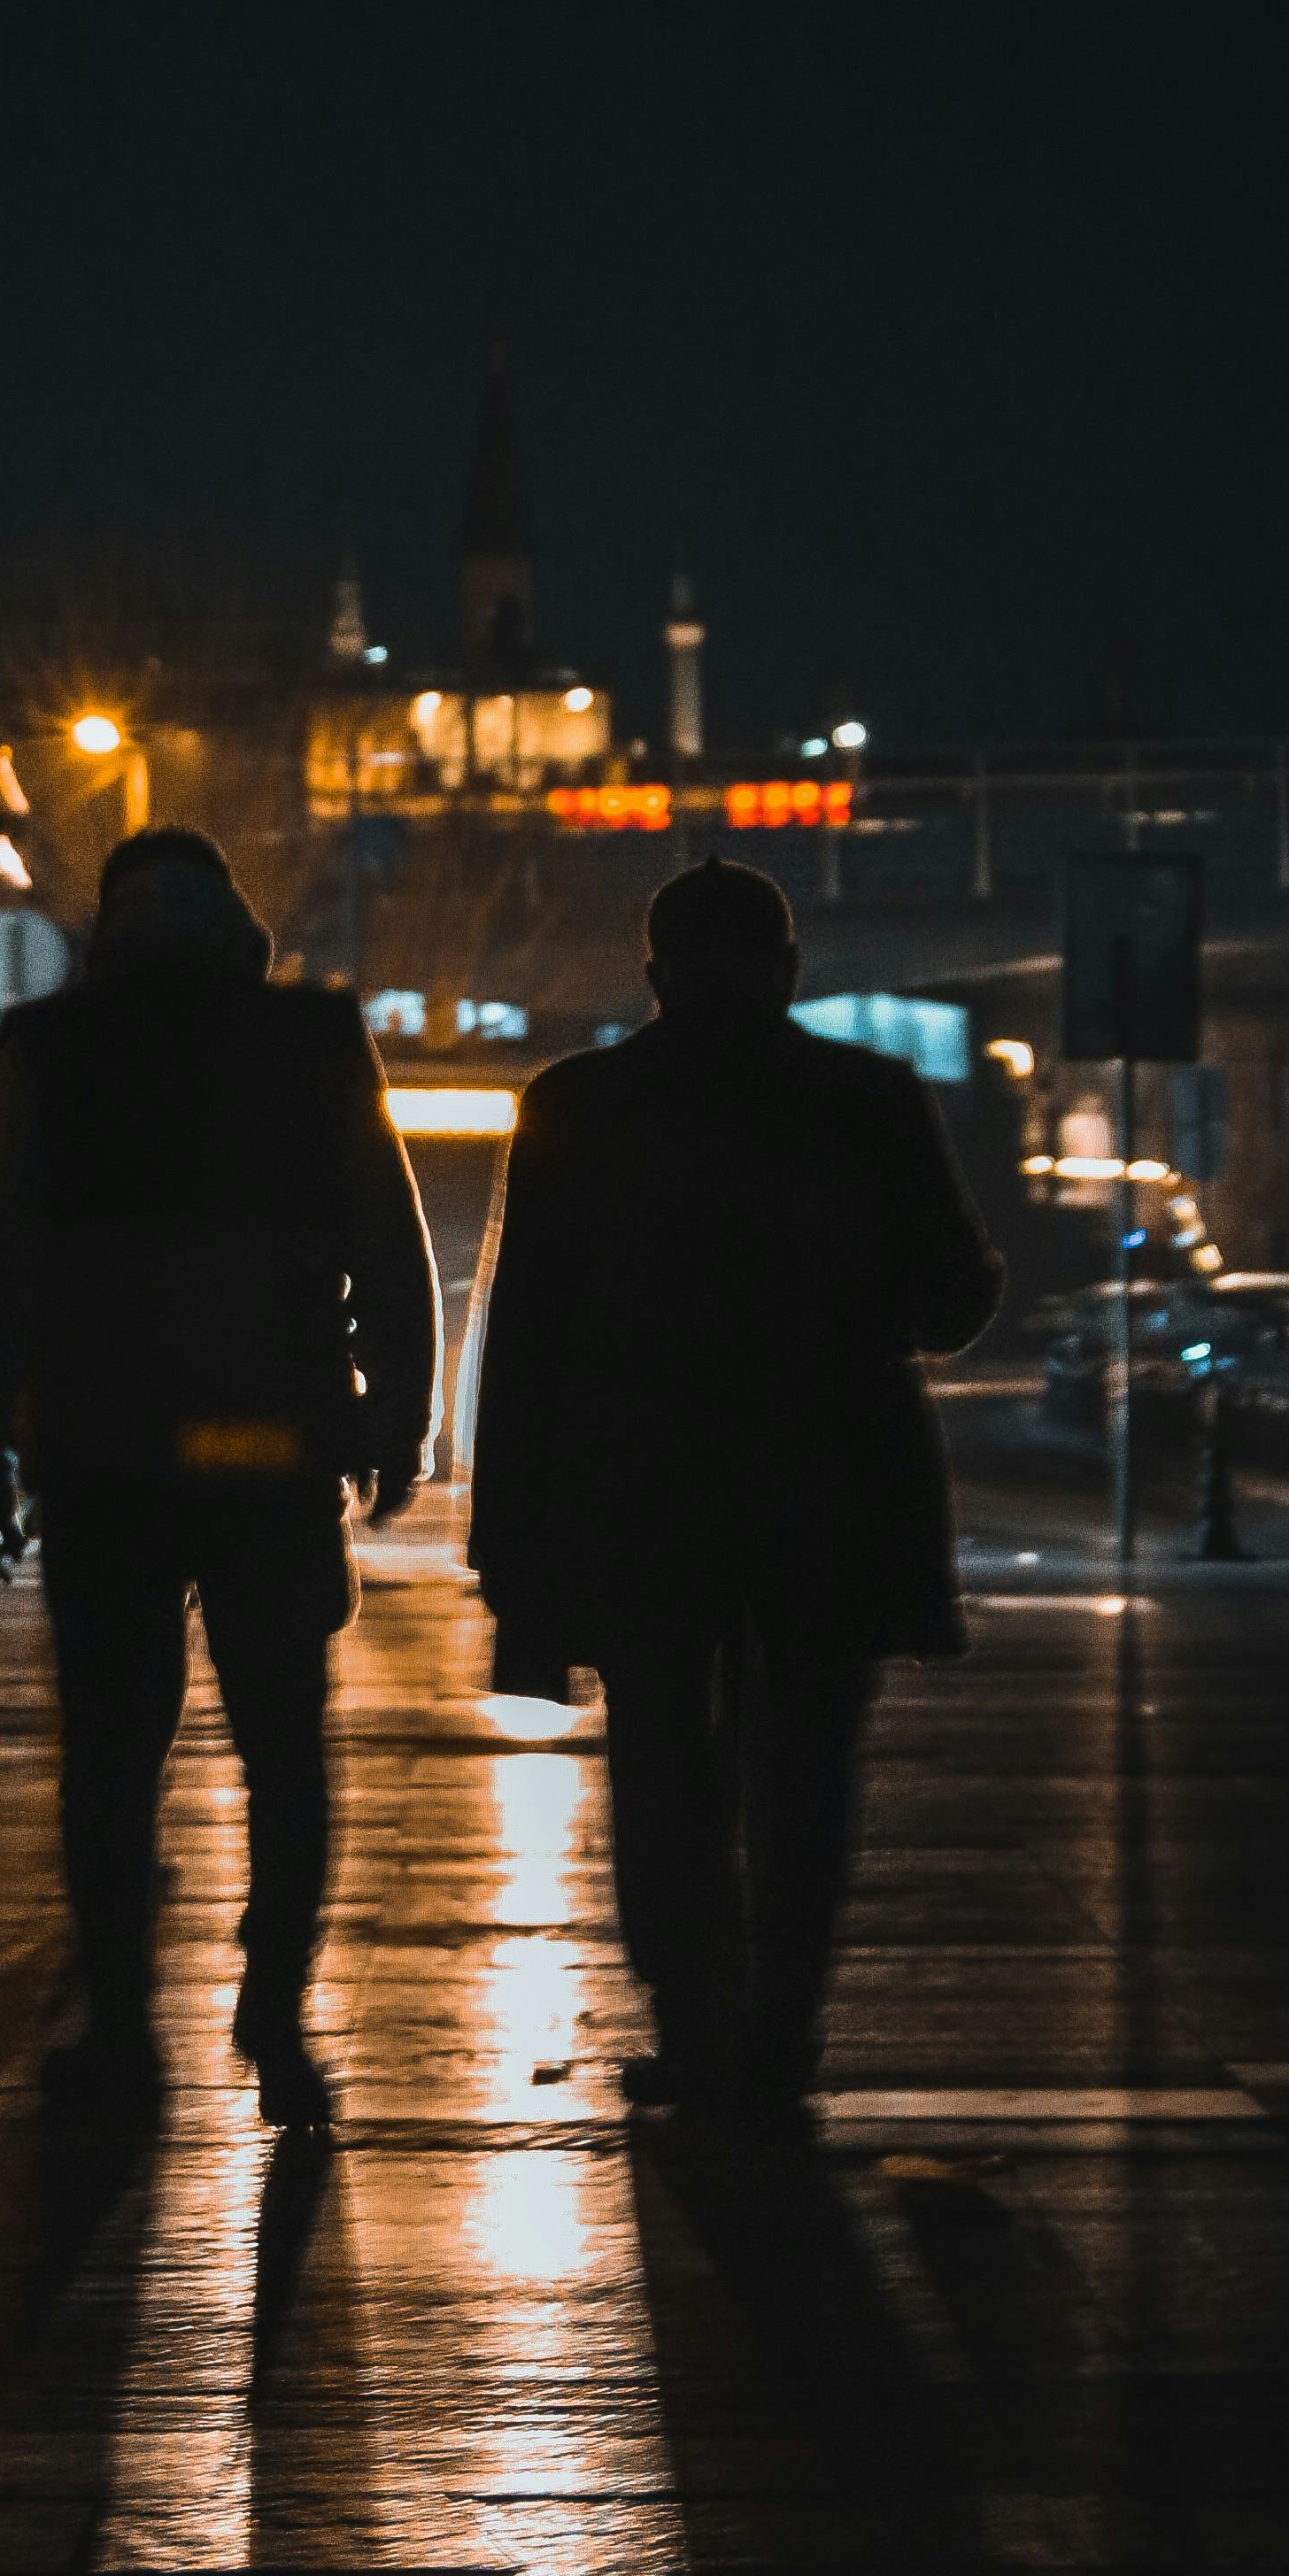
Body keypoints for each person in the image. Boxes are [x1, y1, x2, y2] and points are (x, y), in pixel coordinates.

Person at [467, 856, 1001, 2130]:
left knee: (658, 1754)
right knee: (808, 1761)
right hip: (827, 1485)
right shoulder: (865, 1099)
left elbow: (524, 1335)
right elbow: (951, 1301)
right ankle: (783, 2028)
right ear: (788, 968)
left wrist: (511, 1543)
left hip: (639, 1486)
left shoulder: (576, 1103)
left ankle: (686, 2023)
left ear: (652, 975)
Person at [0, 827, 440, 2128]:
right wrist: (395, 1421)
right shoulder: (313, 1040)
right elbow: (388, 1243)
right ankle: (274, 2016)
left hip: (104, 1459)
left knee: (109, 1755)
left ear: (107, 926)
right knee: (283, 1747)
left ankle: (120, 2029)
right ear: (232, 920)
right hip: (266, 1453)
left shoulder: (49, 1046)